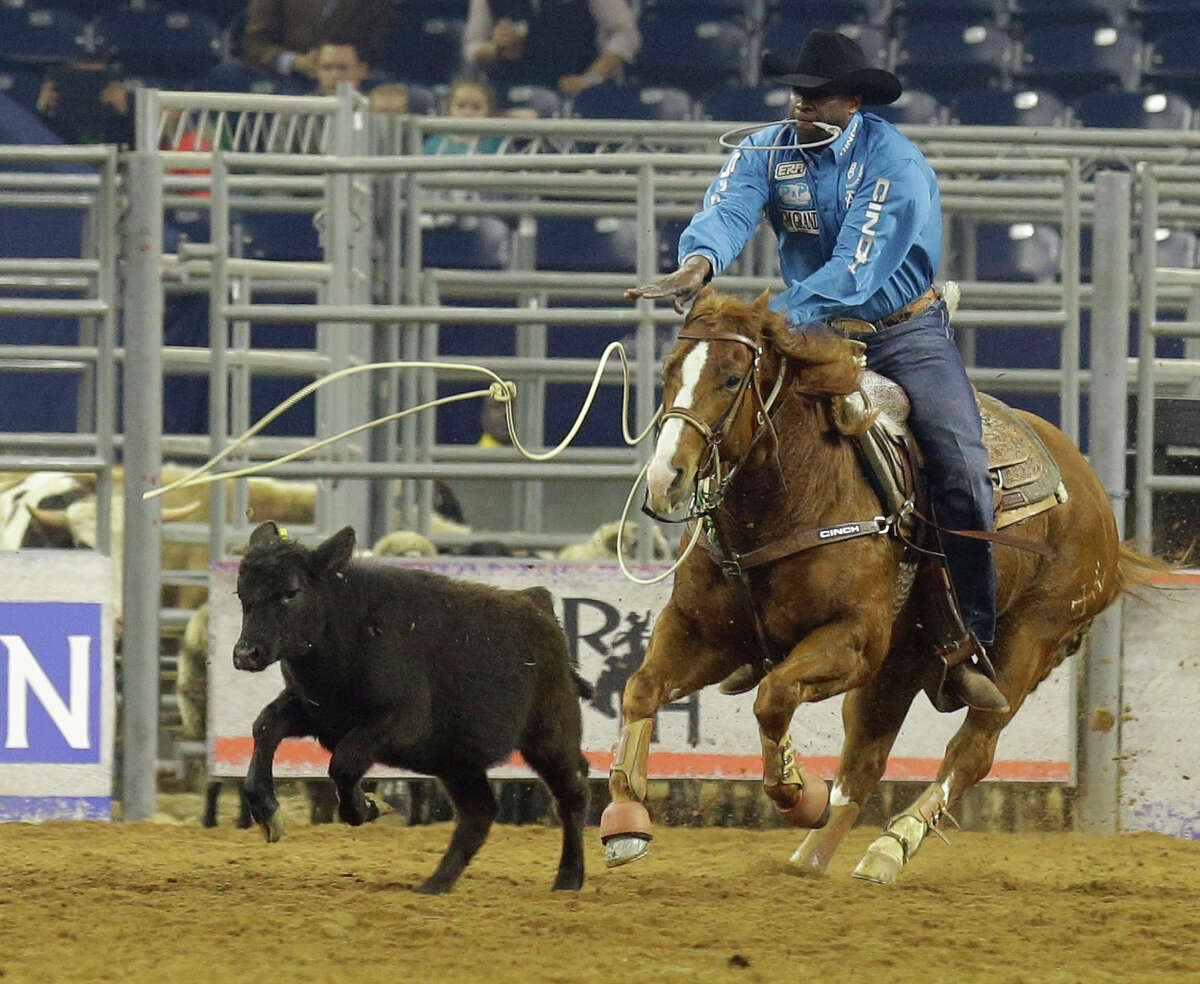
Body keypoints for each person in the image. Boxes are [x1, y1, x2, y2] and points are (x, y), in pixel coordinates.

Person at [626, 30, 1008, 713]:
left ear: (852, 101)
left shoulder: (893, 162)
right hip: (804, 329)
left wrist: (768, 320)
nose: (801, 103)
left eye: (819, 94)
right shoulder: (766, 149)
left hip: (901, 333)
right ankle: (748, 622)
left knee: (960, 465)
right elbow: (729, 208)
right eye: (797, 91)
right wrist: (699, 264)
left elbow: (858, 268)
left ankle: (969, 637)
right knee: (741, 438)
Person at [463, 0, 640, 96]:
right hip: (512, 87)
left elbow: (626, 35)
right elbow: (472, 46)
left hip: (573, 90)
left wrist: (590, 78)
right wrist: (495, 48)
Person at [241, 0, 393, 83]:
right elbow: (253, 42)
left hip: (354, 82)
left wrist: (348, 65)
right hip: (285, 79)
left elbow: (379, 43)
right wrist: (295, 61)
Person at [35, 59, 133, 147]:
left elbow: (133, 149)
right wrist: (43, 112)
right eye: (78, 77)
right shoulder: (58, 119)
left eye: (98, 78)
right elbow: (40, 147)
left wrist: (124, 111)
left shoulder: (117, 120)